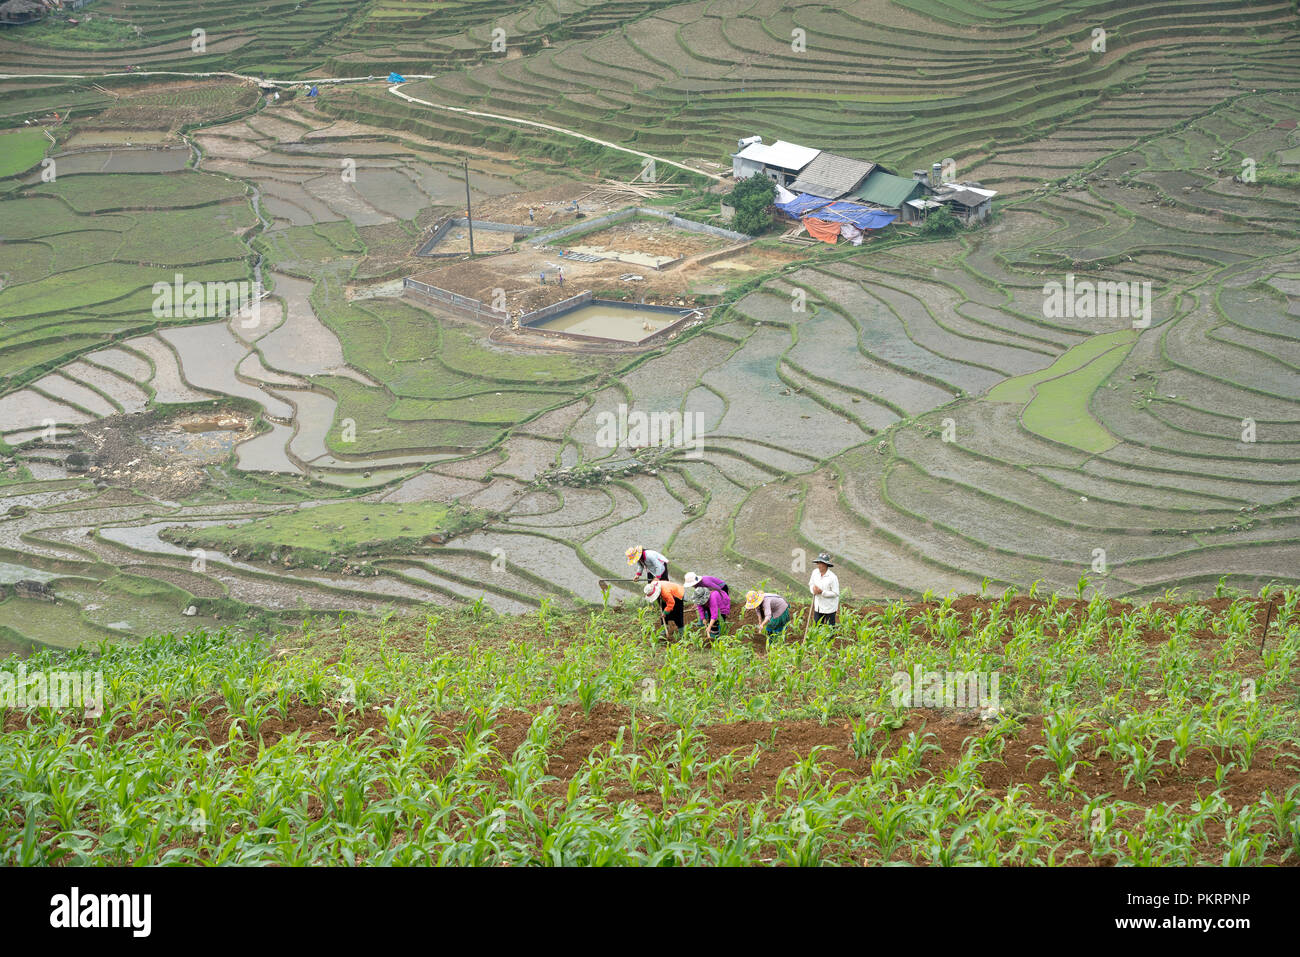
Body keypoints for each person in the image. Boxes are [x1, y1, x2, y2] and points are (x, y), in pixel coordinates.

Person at [684, 572, 730, 638]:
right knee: (710, 614)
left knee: (720, 615)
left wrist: (709, 626)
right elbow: (700, 607)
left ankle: (721, 631)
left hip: (720, 590)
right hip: (710, 596)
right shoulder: (700, 590)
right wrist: (703, 618)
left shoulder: (707, 583)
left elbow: (718, 589)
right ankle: (713, 629)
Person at [808, 552, 840, 627]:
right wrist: (813, 590)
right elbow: (811, 584)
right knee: (817, 626)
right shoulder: (815, 573)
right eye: (818, 563)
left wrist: (822, 592)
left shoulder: (832, 577)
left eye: (821, 563)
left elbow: (836, 593)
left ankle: (830, 639)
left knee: (830, 628)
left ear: (826, 565)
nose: (819, 565)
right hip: (818, 606)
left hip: (829, 607)